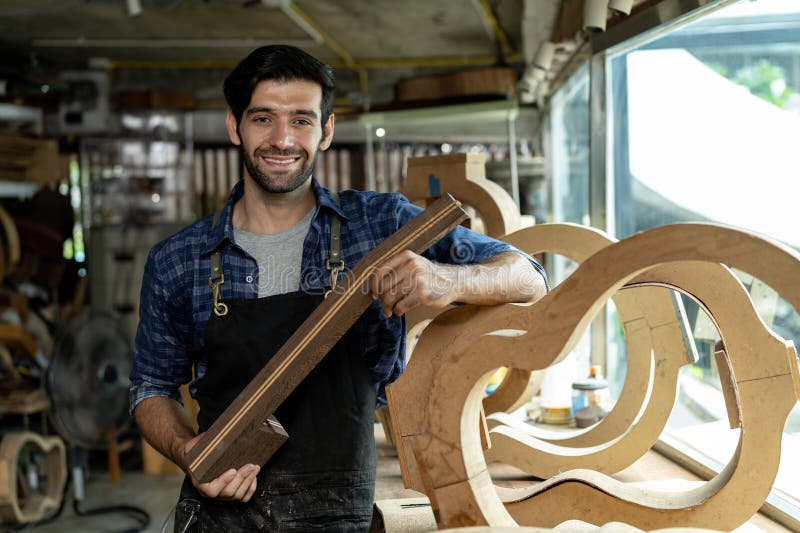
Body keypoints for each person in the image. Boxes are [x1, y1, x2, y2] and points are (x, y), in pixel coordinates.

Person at [129, 44, 547, 532]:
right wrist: (188, 451)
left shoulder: (381, 225)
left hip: (341, 511)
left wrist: (449, 278)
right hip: (224, 510)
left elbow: (528, 276)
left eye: (301, 120)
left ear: (326, 131)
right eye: (263, 118)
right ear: (234, 126)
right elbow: (152, 387)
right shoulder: (179, 259)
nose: (282, 139)